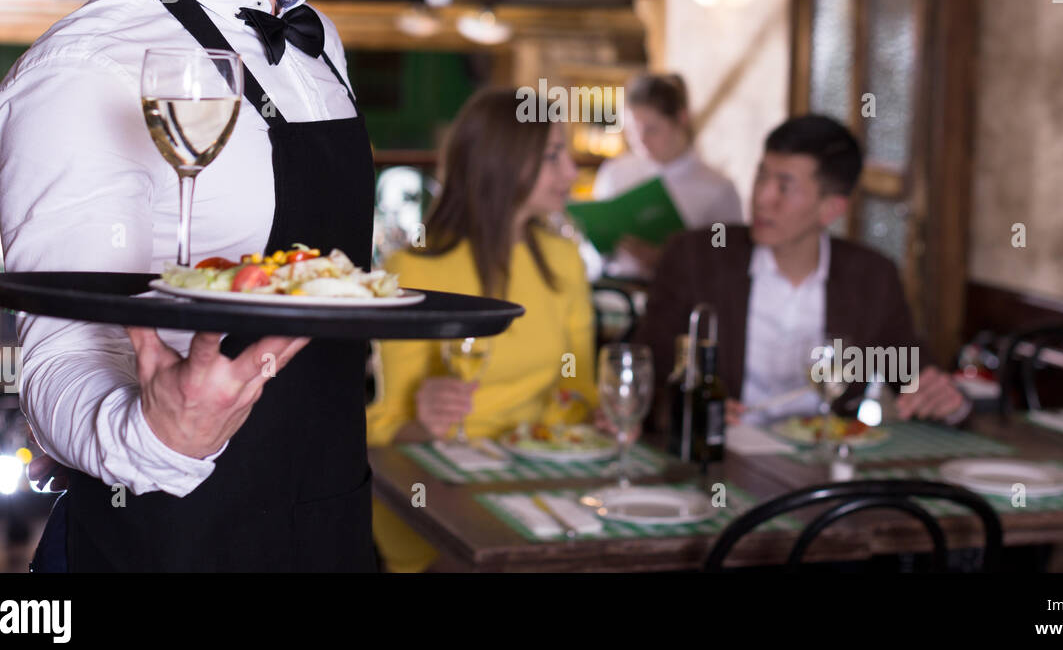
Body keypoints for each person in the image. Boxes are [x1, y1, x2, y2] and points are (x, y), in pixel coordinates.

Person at [0, 0, 378, 571]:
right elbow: (57, 362)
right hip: (166, 543)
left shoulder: (321, 42)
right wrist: (161, 431)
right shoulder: (88, 68)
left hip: (328, 527)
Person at [366, 88, 598, 572]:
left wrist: (604, 418)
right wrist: (424, 423)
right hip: (438, 496)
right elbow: (388, 432)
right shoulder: (411, 270)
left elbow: (580, 392)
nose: (572, 173)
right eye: (554, 156)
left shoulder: (564, 261)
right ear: (502, 161)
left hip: (543, 485)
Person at [638, 114, 968, 431]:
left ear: (832, 208)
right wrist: (688, 410)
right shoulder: (696, 258)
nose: (763, 198)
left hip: (821, 466)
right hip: (719, 460)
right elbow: (649, 379)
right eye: (761, 177)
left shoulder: (871, 278)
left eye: (785, 186)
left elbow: (913, 376)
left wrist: (944, 400)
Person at [591, 73, 743, 280]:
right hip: (615, 292)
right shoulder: (614, 173)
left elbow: (725, 252)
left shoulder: (717, 189)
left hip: (681, 297)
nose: (642, 140)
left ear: (681, 119)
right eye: (633, 131)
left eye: (652, 129)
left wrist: (668, 259)